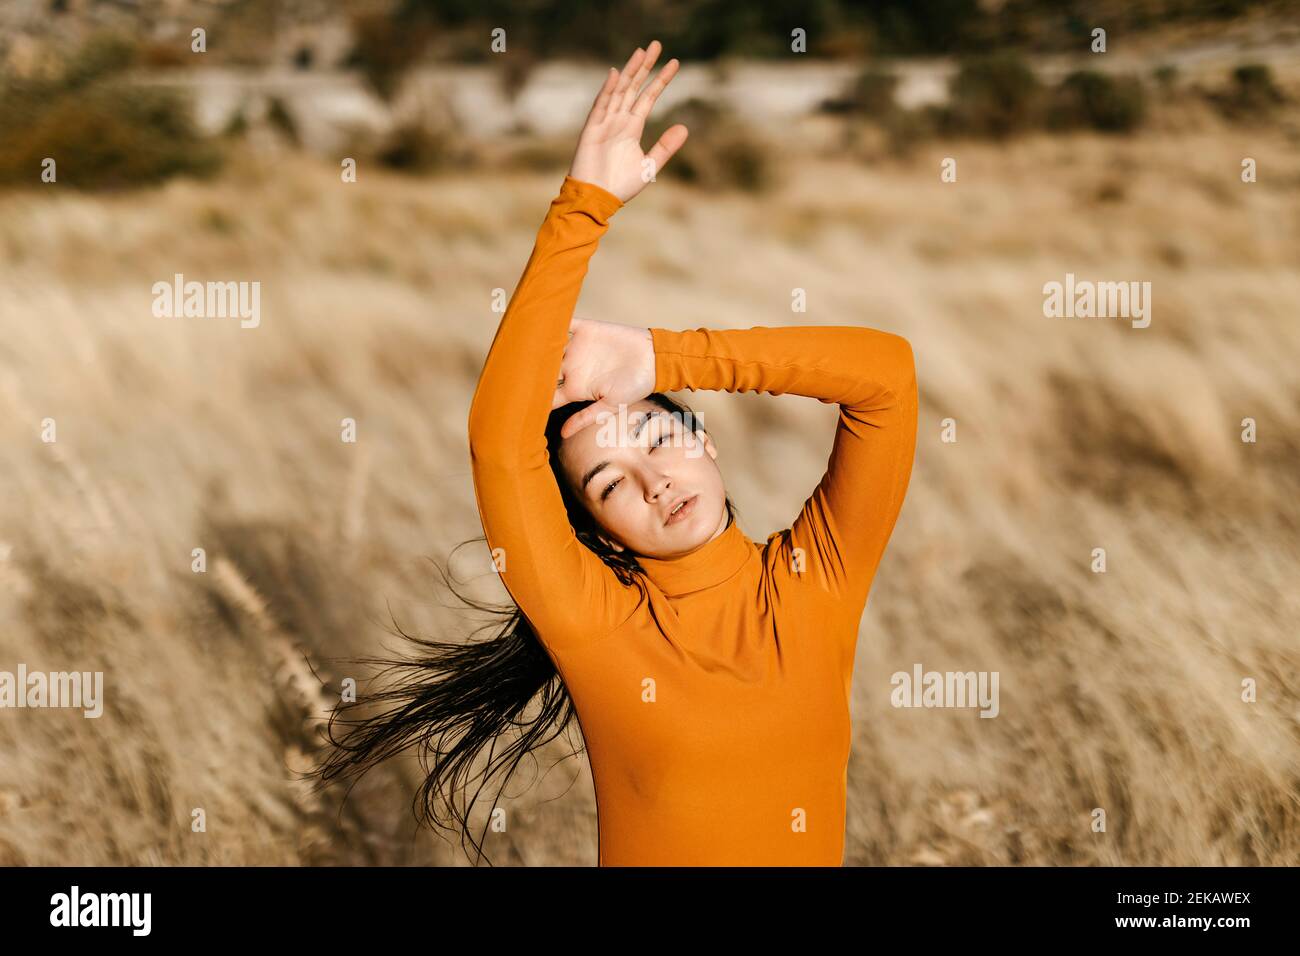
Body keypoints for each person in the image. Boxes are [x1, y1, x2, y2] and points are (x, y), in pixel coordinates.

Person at [314, 40, 918, 867]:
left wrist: (660, 357)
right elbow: (499, 440)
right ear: (598, 532)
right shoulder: (599, 627)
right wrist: (583, 206)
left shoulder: (818, 583)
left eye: (658, 437)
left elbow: (886, 375)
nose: (653, 480)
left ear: (702, 441)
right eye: (609, 483)